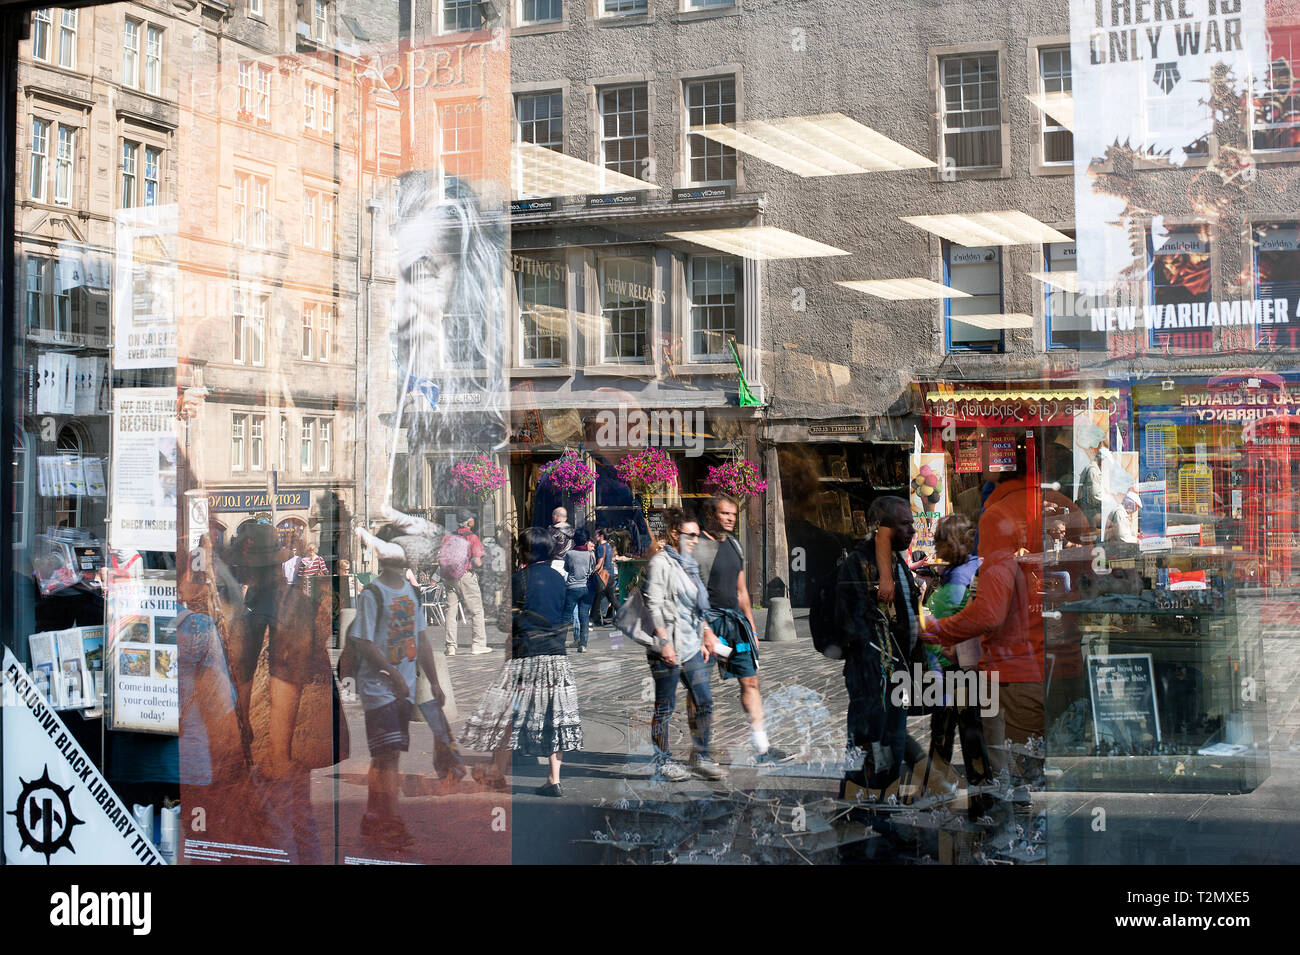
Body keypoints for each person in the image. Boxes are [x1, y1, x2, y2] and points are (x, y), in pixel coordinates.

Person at [922, 472, 1046, 781]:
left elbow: (983, 616)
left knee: (975, 731)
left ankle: (988, 788)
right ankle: (987, 783)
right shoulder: (985, 567)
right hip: (993, 664)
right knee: (973, 729)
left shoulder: (982, 571)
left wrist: (934, 628)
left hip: (984, 667)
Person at [461, 527, 581, 797]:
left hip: (525, 657)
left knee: (506, 715)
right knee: (554, 717)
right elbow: (564, 618)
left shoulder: (519, 579)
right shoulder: (560, 580)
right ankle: (554, 778)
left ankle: (497, 772)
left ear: (525, 551)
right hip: (555, 657)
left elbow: (506, 621)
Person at [349, 530, 445, 848]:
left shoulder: (409, 592)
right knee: (388, 756)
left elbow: (422, 640)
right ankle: (390, 821)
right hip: (378, 688)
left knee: (386, 757)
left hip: (401, 688)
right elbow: (362, 640)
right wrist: (392, 673)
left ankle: (375, 815)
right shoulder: (372, 595)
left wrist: (433, 681)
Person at [697, 494, 790, 764]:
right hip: (707, 625)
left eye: (733, 515)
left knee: (750, 681)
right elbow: (690, 592)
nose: (730, 519)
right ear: (712, 515)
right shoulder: (698, 546)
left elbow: (741, 591)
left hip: (735, 626)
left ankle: (762, 749)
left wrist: (750, 625)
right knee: (700, 690)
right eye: (725, 514)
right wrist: (704, 631)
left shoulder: (734, 545)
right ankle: (701, 752)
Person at [838, 496, 923, 788]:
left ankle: (881, 806)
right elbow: (851, 619)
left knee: (892, 745)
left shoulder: (896, 560)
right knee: (867, 746)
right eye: (904, 523)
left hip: (897, 672)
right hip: (874, 675)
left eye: (911, 523)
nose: (911, 530)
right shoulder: (860, 563)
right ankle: (859, 808)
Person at [643, 508, 726, 782]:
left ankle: (701, 756)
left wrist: (704, 634)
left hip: (690, 647)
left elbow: (694, 608)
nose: (694, 540)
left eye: (696, 536)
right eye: (690, 535)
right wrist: (664, 642)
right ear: (675, 534)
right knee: (664, 707)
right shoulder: (661, 563)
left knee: (704, 701)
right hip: (666, 647)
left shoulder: (688, 565)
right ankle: (662, 762)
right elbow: (653, 604)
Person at [919, 513, 991, 796]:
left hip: (956, 670)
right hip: (956, 669)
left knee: (952, 732)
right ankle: (976, 792)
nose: (936, 547)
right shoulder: (963, 570)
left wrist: (923, 623)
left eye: (940, 540)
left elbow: (956, 625)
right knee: (961, 732)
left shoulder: (960, 579)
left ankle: (957, 792)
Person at [444, 511, 491, 656]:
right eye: (472, 519)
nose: (474, 521)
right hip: (466, 576)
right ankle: (478, 644)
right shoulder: (472, 537)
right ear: (468, 521)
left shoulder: (448, 537)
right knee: (476, 611)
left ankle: (450, 647)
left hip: (450, 577)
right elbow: (476, 561)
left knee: (450, 613)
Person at [563, 529, 597, 652]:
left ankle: (560, 642)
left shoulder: (570, 554)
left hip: (572, 587)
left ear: (574, 541)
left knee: (566, 616)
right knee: (584, 616)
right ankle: (583, 644)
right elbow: (593, 569)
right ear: (586, 541)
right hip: (587, 588)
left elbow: (566, 568)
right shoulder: (590, 555)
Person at [589, 527, 620, 626]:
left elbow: (600, 562)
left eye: (596, 535)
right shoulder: (609, 546)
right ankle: (625, 614)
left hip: (603, 576)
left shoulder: (601, 547)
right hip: (610, 575)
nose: (595, 537)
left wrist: (592, 571)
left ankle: (593, 619)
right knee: (611, 598)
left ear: (601, 536)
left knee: (597, 597)